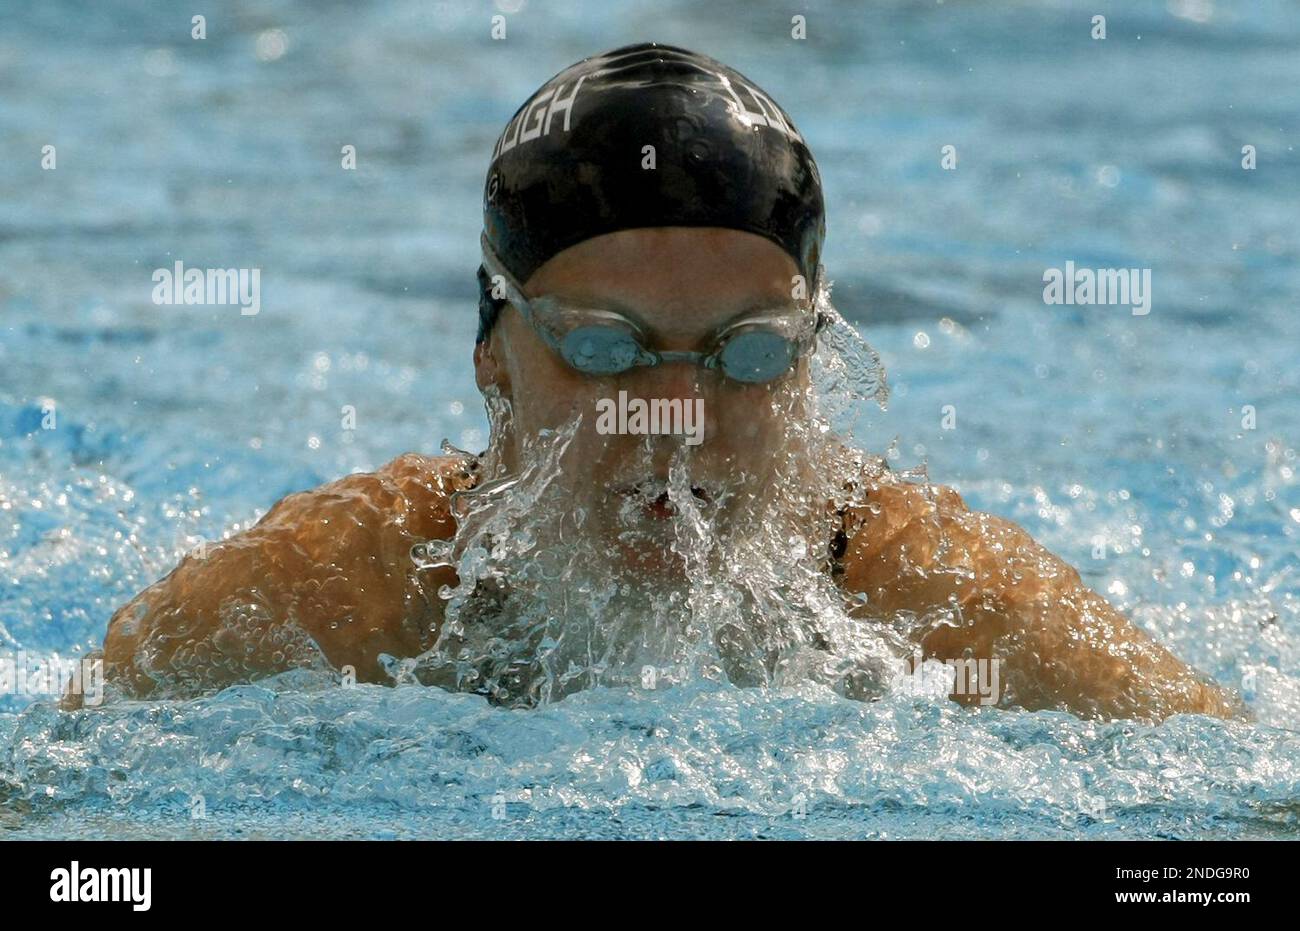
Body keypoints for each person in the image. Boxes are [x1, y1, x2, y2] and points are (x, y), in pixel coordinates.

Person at [75, 43, 1243, 721]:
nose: (678, 418)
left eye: (748, 352)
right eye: (605, 349)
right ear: (494, 356)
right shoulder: (348, 589)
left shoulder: (933, 601)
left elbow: (1232, 808)